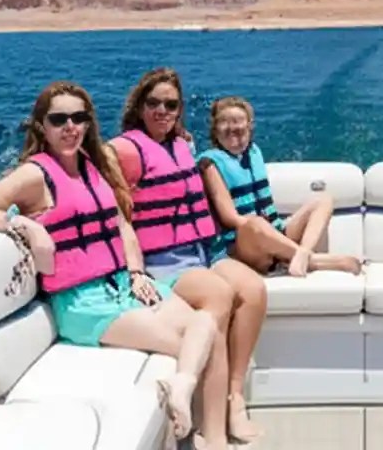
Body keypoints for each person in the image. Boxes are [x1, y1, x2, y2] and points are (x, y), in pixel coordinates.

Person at [0, 81, 220, 446]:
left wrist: (136, 272)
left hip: (121, 285)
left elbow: (121, 225)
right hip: (82, 303)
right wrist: (23, 224)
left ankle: (185, 392)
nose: (70, 127)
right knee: (182, 344)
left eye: (78, 118)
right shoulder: (35, 174)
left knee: (206, 324)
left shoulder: (92, 167)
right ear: (42, 126)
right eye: (59, 119)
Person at [109, 68, 267, 444]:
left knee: (254, 290)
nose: (162, 111)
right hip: (164, 261)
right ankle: (212, 432)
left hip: (202, 252)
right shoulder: (125, 149)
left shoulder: (181, 144)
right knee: (219, 296)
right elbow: (104, 198)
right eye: (153, 103)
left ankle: (234, 398)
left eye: (171, 105)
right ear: (139, 106)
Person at [197, 96, 363, 277]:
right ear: (215, 129)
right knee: (253, 223)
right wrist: (263, 231)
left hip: (275, 233)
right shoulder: (210, 163)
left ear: (249, 126)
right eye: (225, 123)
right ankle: (314, 261)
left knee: (324, 200)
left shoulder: (254, 152)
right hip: (243, 245)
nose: (233, 128)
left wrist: (273, 236)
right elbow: (230, 218)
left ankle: (302, 255)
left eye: (238, 122)